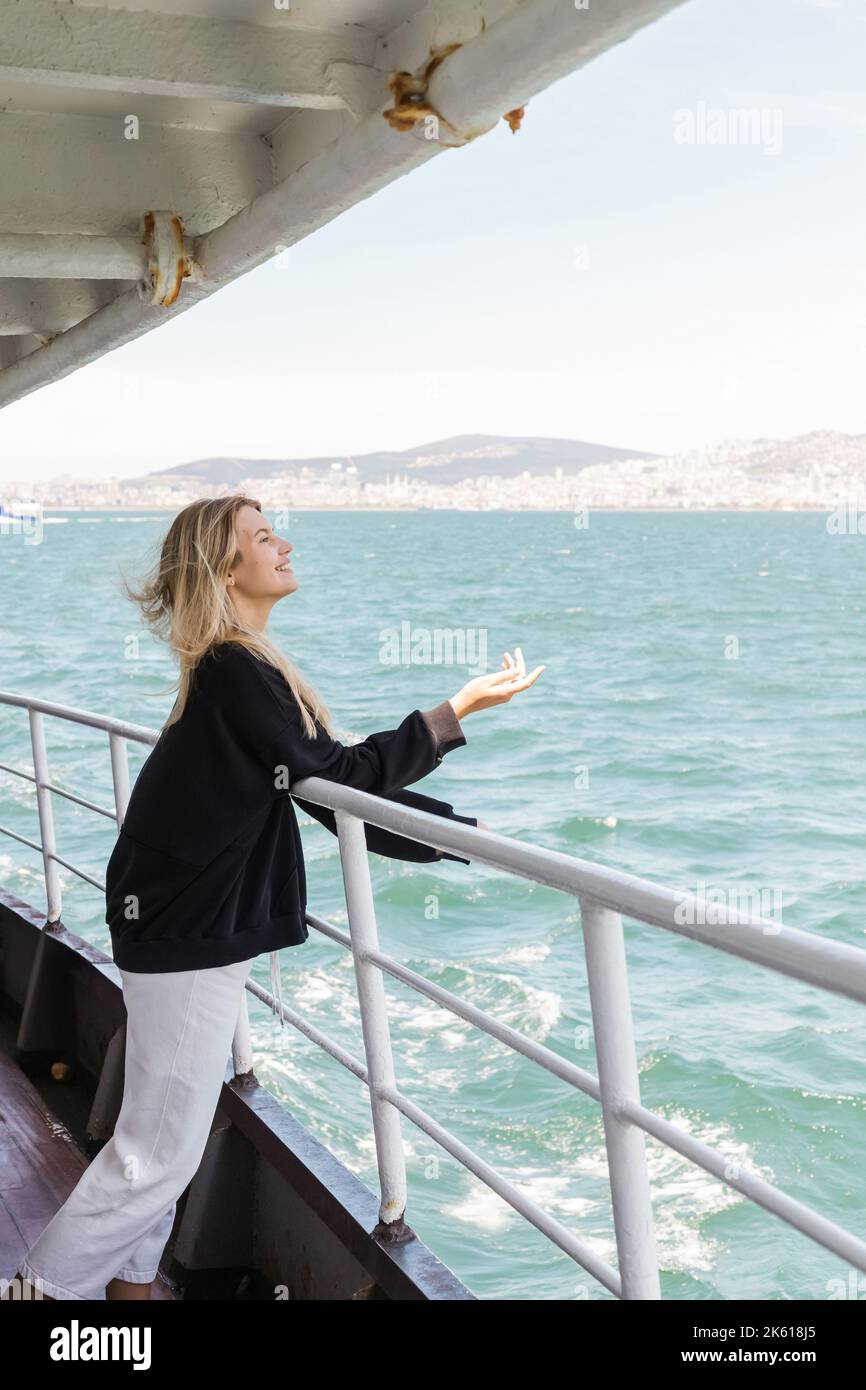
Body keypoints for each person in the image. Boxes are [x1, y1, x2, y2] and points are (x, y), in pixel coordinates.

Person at [5, 494, 544, 1302]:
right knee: (157, 1153)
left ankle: (129, 1296)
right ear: (228, 568)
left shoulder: (238, 666)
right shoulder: (236, 669)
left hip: (178, 923)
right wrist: (454, 711)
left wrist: (457, 834)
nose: (283, 543)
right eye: (263, 536)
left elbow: (324, 793)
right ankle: (36, 1293)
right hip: (185, 929)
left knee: (160, 1139)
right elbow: (339, 779)